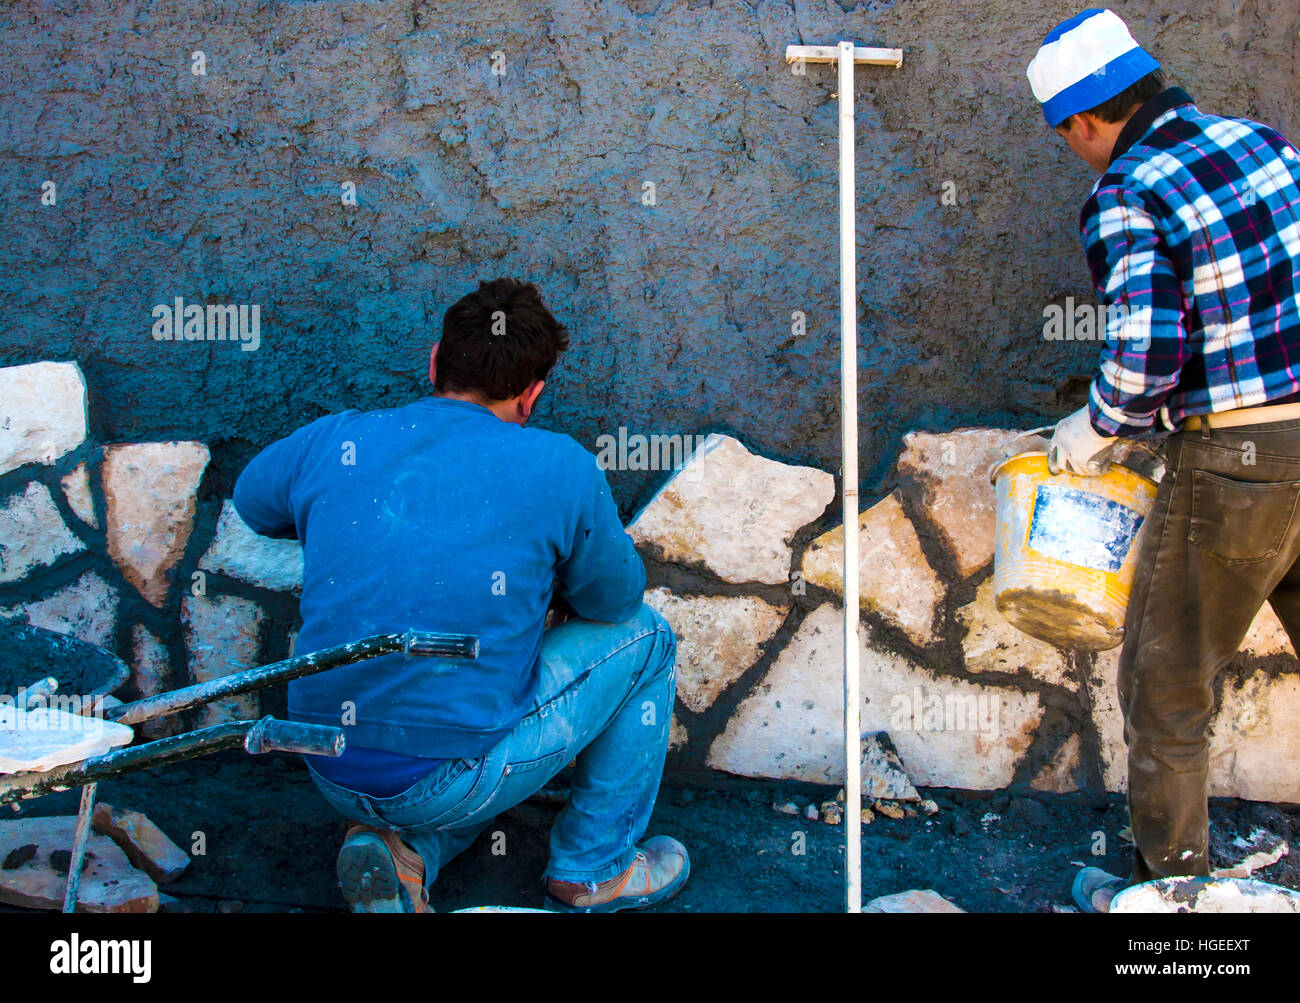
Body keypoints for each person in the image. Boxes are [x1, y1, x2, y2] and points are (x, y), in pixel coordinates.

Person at [233, 277, 688, 912]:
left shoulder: (333, 438)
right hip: (453, 774)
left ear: (434, 361)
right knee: (648, 638)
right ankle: (595, 868)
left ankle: (402, 854)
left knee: (461, 751)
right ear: (533, 395)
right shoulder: (560, 466)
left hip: (325, 762)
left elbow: (254, 504)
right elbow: (614, 605)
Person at [1027, 8, 1300, 912]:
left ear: (1083, 121)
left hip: (1241, 456)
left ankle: (1170, 903)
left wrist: (1097, 428)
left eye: (1067, 136)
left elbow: (1148, 355)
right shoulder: (1267, 145)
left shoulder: (1129, 189)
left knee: (1168, 680)